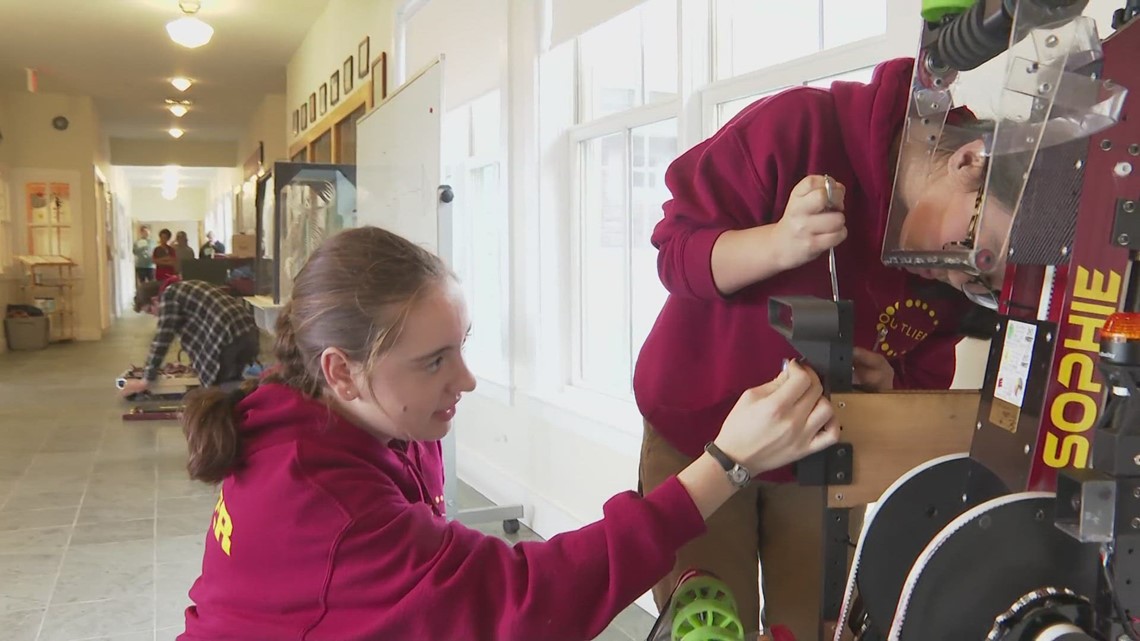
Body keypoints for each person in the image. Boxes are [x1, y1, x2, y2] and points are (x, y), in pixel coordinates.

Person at [176, 226, 839, 641]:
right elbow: (523, 603)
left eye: (462, 346)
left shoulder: (348, 411)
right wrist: (726, 463)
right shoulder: (321, 500)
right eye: (435, 361)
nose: (465, 379)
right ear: (340, 371)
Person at [635, 56, 1007, 638]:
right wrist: (777, 244)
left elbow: (921, 380)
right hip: (700, 435)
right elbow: (674, 253)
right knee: (709, 623)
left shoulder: (948, 282)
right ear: (969, 161)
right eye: (973, 253)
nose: (962, 279)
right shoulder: (801, 130)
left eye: (983, 285)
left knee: (818, 627)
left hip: (822, 459)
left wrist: (890, 388)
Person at [121, 279, 259, 396]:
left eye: (150, 310)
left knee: (219, 389)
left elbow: (162, 338)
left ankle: (233, 414)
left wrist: (146, 380)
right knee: (232, 380)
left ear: (155, 300)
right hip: (247, 331)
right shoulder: (184, 287)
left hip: (229, 335)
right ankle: (247, 409)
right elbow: (198, 333)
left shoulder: (169, 295)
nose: (155, 315)